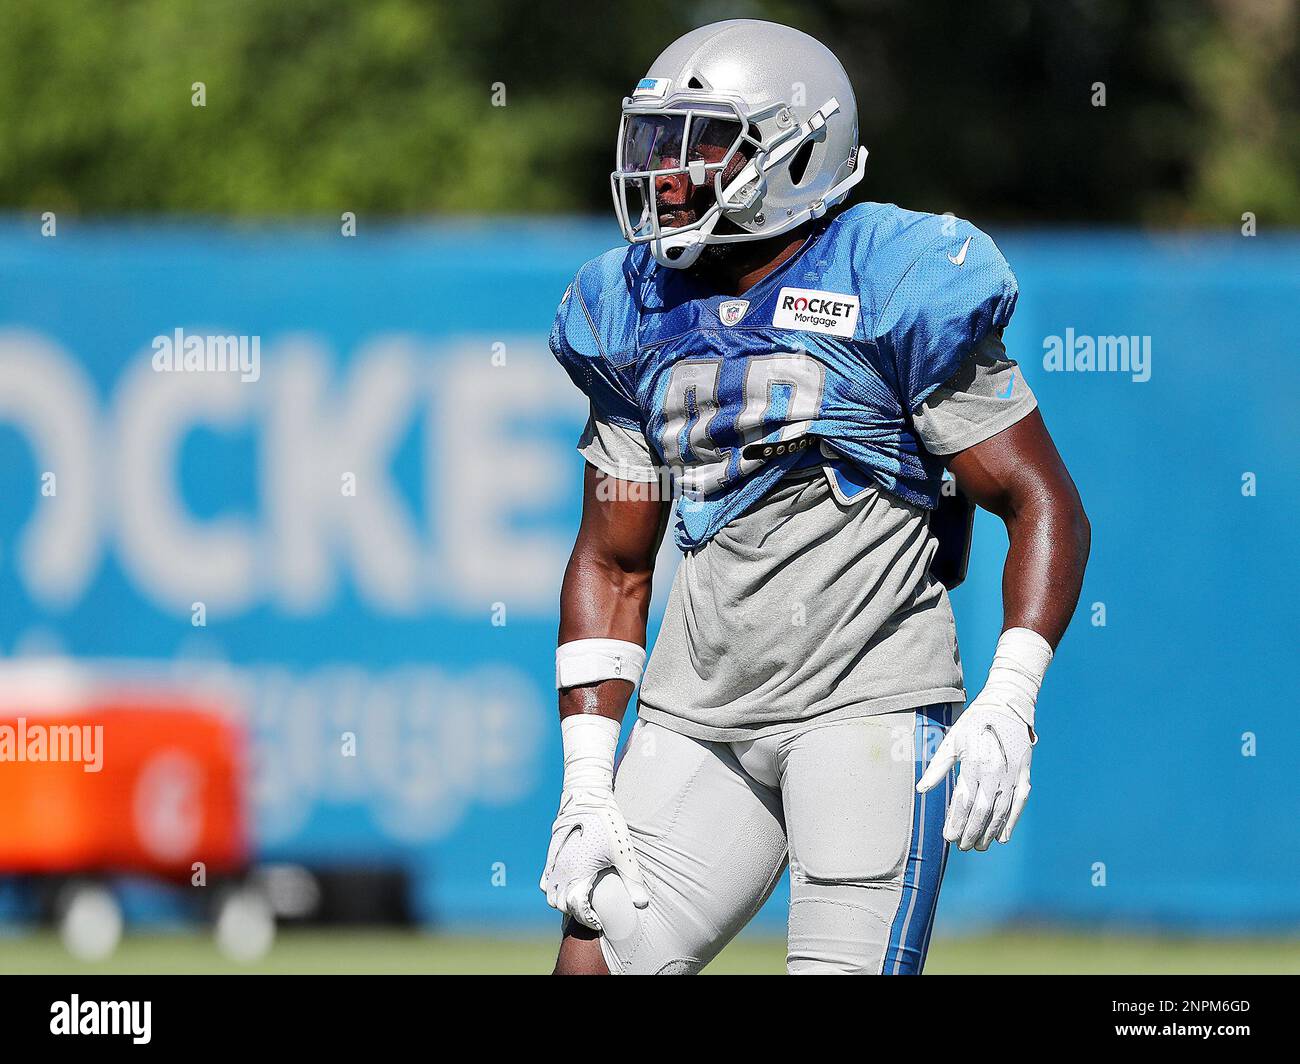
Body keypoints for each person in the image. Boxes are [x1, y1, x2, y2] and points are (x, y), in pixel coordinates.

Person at [540, 18, 1090, 975]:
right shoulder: (627, 309)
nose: (667, 173)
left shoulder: (893, 278)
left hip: (866, 708)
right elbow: (614, 558)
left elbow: (1043, 503)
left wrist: (1011, 699)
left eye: (703, 142)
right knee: (593, 963)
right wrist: (586, 782)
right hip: (696, 718)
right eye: (657, 142)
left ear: (797, 149)